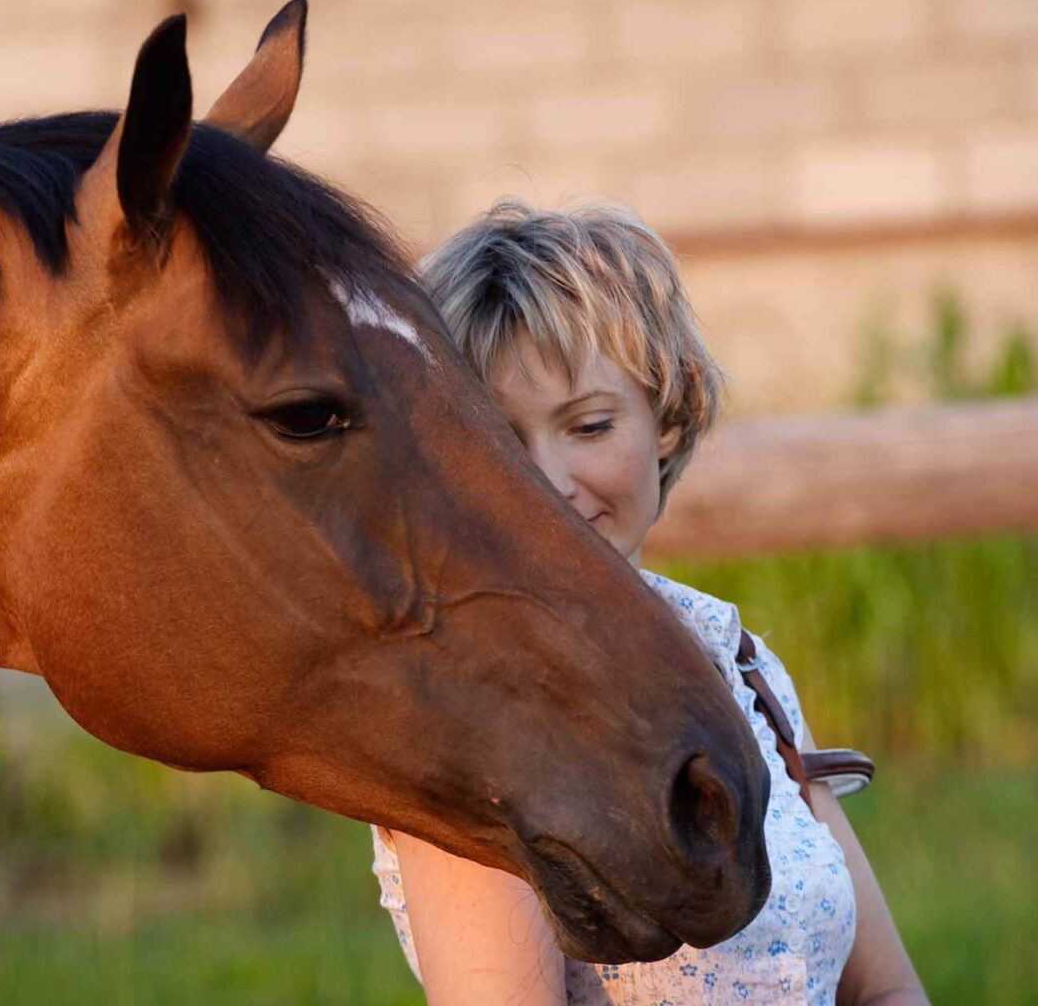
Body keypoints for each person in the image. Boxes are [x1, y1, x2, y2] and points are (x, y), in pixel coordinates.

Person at [370, 199, 927, 1006]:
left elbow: (884, 991)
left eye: (589, 426)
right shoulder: (469, 726)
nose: (547, 484)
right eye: (497, 442)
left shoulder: (736, 662)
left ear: (666, 413)